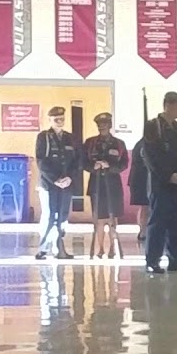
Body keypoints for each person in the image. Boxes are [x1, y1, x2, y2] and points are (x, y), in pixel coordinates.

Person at [142, 92, 177, 274]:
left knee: (176, 221)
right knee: (158, 222)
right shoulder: (153, 126)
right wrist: (168, 175)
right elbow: (151, 156)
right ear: (167, 105)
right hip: (161, 183)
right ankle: (153, 260)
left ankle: (176, 259)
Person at [34, 106, 79, 260]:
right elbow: (41, 161)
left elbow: (76, 161)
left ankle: (59, 247)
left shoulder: (71, 138)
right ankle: (44, 248)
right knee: (49, 214)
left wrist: (69, 178)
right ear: (50, 120)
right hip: (48, 184)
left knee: (63, 216)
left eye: (62, 119)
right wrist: (55, 180)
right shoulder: (43, 137)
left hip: (66, 183)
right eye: (56, 120)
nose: (59, 122)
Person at [84, 112, 128, 259]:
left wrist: (109, 166)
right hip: (96, 184)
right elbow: (83, 162)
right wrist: (93, 166)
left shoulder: (119, 144)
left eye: (104, 125)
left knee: (112, 218)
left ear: (109, 126)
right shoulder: (90, 143)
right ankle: (100, 249)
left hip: (113, 185)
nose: (101, 127)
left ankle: (112, 249)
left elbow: (123, 164)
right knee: (99, 219)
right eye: (99, 125)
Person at [128, 136, 150, 245]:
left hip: (138, 180)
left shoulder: (139, 143)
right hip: (142, 180)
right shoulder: (145, 145)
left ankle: (143, 231)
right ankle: (143, 232)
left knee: (144, 207)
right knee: (146, 206)